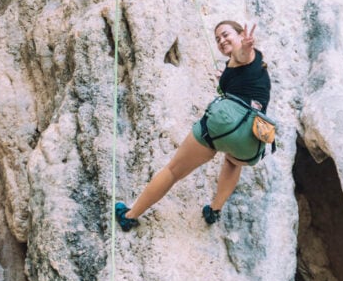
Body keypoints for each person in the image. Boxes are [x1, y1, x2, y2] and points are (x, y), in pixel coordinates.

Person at [115, 20, 272, 231]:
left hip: (223, 126)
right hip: (251, 139)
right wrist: (225, 78)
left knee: (173, 171)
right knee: (233, 163)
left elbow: (243, 55)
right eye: (217, 39)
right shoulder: (254, 65)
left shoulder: (244, 54)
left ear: (241, 34)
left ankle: (130, 215)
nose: (221, 40)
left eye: (226, 35)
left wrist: (245, 46)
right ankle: (214, 210)